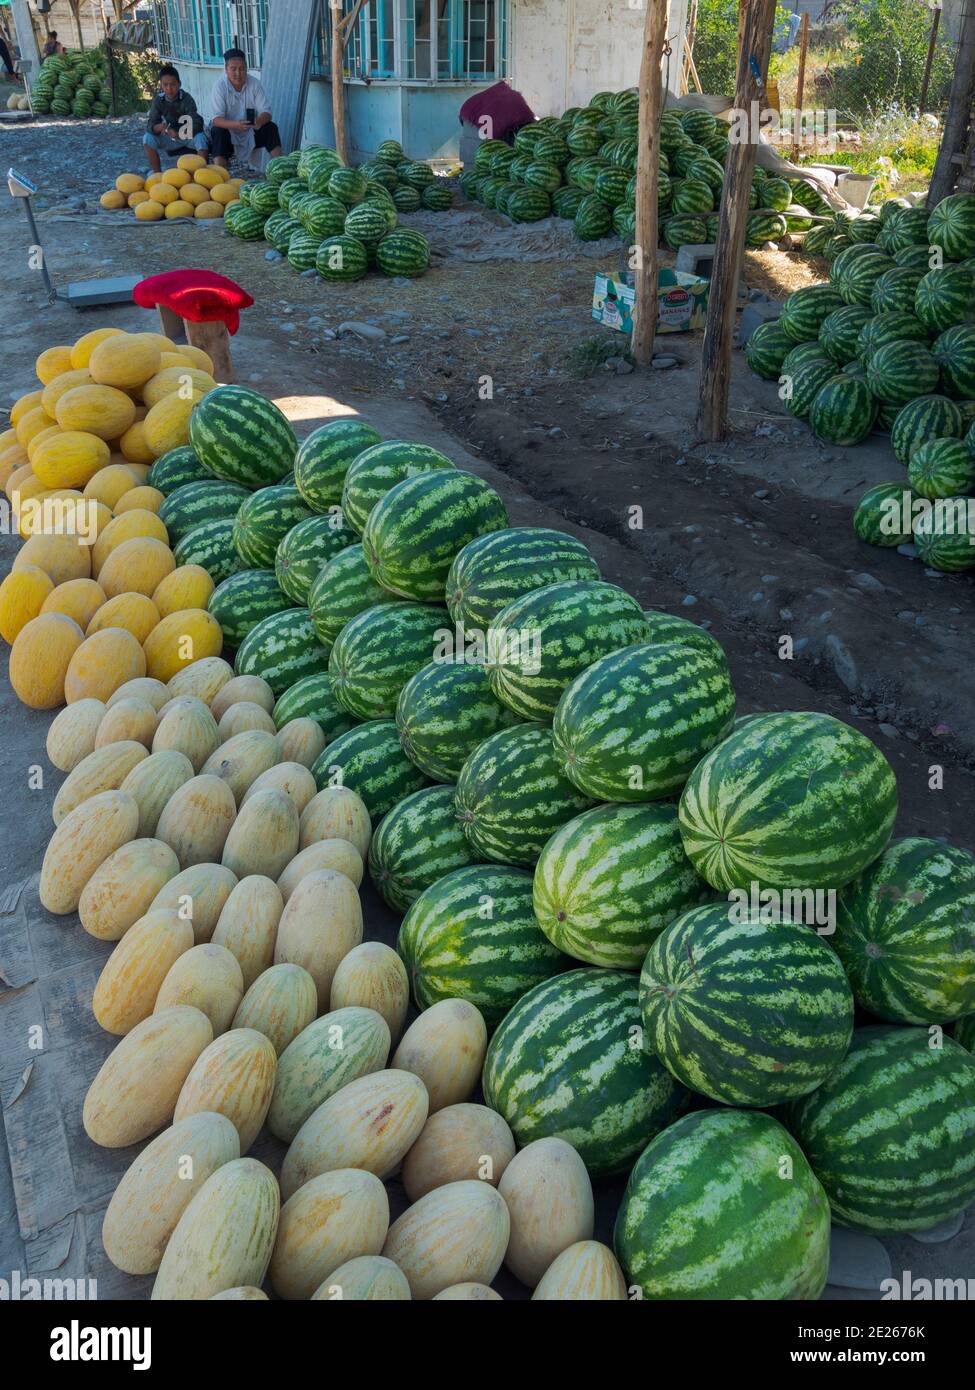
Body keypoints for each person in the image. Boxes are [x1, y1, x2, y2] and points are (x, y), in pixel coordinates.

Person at [208, 47, 282, 171]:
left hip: (250, 130)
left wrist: (258, 121)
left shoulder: (255, 84)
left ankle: (281, 169)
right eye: (233, 69)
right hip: (229, 131)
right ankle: (219, 175)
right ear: (226, 70)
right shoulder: (219, 86)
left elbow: (267, 112)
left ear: (246, 68)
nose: (238, 73)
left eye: (242, 68)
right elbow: (216, 119)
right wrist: (236, 125)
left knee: (271, 128)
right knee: (218, 131)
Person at [143, 64, 209, 174]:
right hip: (170, 138)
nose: (169, 88)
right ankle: (157, 174)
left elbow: (197, 123)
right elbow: (151, 123)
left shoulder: (187, 99)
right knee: (147, 139)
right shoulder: (159, 100)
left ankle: (202, 174)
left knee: (201, 138)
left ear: (179, 84)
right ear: (161, 86)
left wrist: (180, 133)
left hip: (187, 137)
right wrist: (158, 128)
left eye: (173, 84)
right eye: (165, 85)